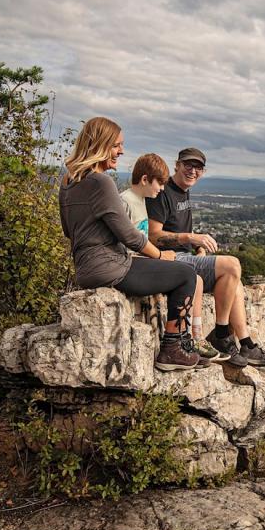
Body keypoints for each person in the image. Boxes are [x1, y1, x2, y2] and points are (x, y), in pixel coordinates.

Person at [59, 117, 202, 371]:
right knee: (185, 275)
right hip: (110, 267)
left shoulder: (67, 184)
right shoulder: (100, 182)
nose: (121, 151)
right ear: (100, 144)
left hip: (84, 268)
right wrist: (160, 255)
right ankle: (173, 349)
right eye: (116, 145)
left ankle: (175, 346)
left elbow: (68, 230)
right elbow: (130, 236)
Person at [146, 147, 265, 368]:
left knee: (234, 280)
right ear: (177, 165)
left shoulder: (184, 191)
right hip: (168, 260)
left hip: (185, 257)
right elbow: (153, 236)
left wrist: (197, 249)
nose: (193, 171)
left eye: (198, 167)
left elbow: (184, 237)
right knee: (232, 264)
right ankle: (221, 335)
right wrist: (191, 237)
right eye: (188, 165)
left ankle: (246, 344)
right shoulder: (163, 192)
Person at [120, 153, 222, 362]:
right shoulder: (126, 201)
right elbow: (126, 240)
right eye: (159, 183)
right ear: (145, 179)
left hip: (145, 259)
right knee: (188, 274)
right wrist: (159, 255)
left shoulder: (142, 200)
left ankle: (189, 338)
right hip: (133, 263)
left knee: (196, 279)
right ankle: (177, 342)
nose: (161, 189)